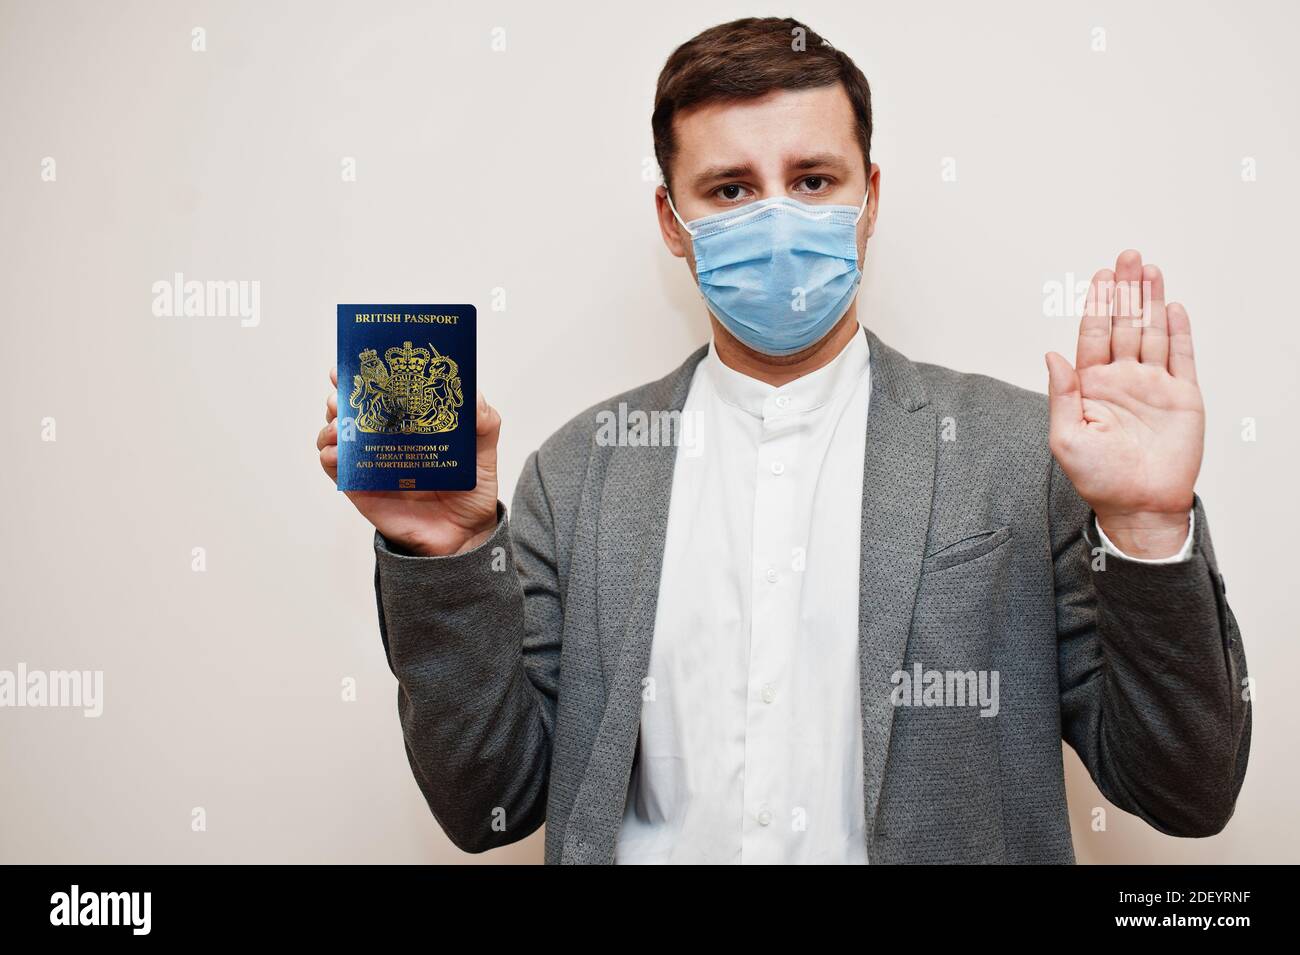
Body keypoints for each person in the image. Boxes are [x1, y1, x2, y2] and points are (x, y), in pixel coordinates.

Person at [316, 16, 1249, 864]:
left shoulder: (1017, 452)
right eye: (730, 188)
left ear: (869, 197)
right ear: (671, 223)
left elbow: (1186, 791)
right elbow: (491, 802)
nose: (776, 218)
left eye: (812, 180)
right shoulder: (575, 473)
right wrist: (444, 554)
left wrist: (1147, 529)